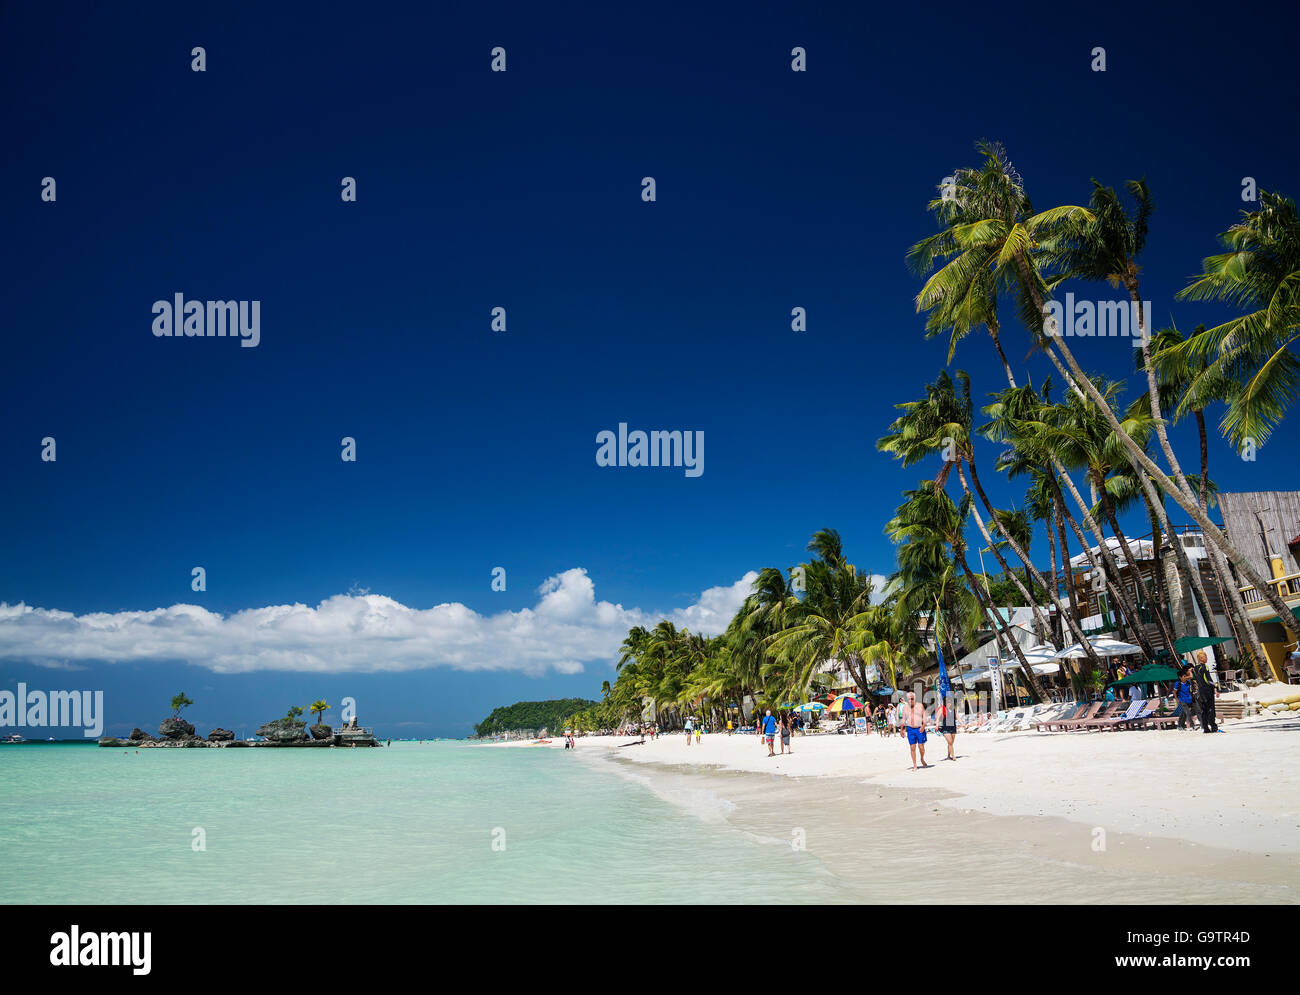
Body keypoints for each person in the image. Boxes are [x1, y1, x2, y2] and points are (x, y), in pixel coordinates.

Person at [901, 691, 929, 769]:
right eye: (909, 699)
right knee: (912, 747)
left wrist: (923, 725)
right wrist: (901, 729)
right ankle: (915, 764)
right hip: (910, 729)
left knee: (921, 746)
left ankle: (922, 758)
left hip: (919, 728)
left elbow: (924, 716)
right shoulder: (905, 707)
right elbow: (903, 719)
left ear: (915, 699)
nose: (910, 701)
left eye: (912, 699)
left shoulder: (920, 706)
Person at [1192, 657, 1219, 733]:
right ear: (1201, 658)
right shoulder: (1204, 667)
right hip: (1208, 690)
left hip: (1201, 691)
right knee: (1211, 708)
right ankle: (1213, 727)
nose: (1206, 658)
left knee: (1204, 709)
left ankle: (1205, 728)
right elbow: (1208, 679)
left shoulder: (1195, 668)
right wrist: (1215, 687)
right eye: (1205, 657)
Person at [936, 692, 958, 761]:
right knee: (950, 742)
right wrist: (937, 725)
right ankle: (953, 756)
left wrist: (963, 724)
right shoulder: (942, 709)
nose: (949, 703)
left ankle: (948, 756)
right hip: (945, 728)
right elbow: (937, 718)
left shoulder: (953, 709)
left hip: (953, 727)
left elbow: (958, 717)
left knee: (951, 743)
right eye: (947, 702)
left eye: (950, 702)